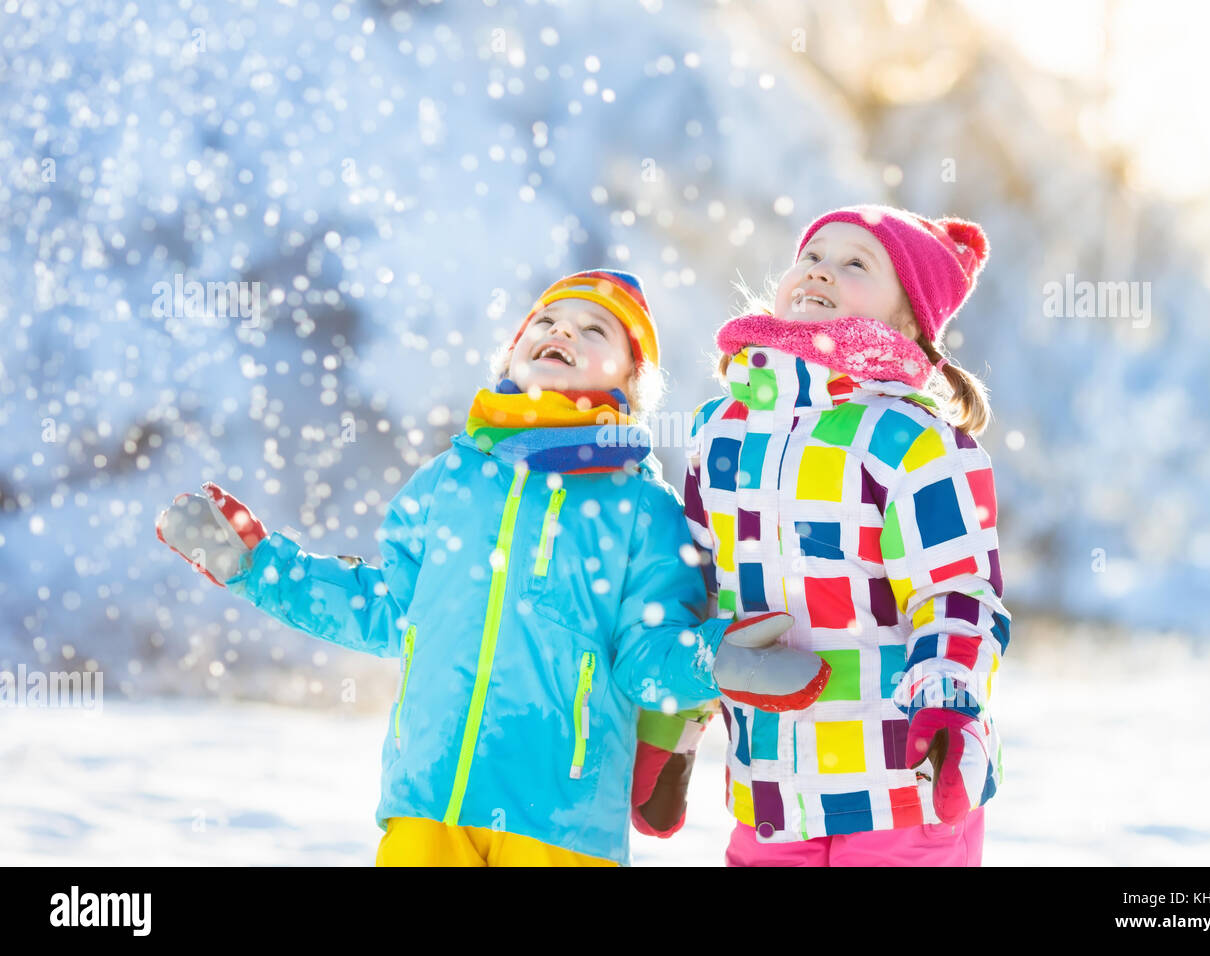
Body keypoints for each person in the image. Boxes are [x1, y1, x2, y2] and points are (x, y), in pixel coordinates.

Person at [157, 269, 826, 866]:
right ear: (513, 350)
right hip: (429, 803)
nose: (563, 330)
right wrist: (258, 565)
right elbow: (386, 609)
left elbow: (644, 656)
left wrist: (717, 660)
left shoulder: (641, 507)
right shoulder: (446, 479)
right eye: (547, 320)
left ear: (629, 382)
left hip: (561, 822)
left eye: (595, 329)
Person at [684, 206, 1012, 866]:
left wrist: (948, 702)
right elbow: (696, 590)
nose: (821, 270)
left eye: (855, 263)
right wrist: (673, 732)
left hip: (902, 786)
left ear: (907, 321)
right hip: (770, 788)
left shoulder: (910, 442)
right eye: (811, 256)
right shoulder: (720, 433)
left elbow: (957, 593)